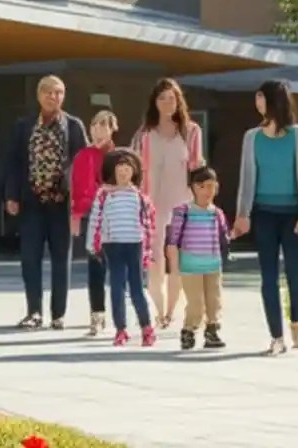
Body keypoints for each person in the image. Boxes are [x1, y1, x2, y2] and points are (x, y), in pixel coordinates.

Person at [231, 79, 298, 355]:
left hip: (294, 215)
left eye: (261, 97)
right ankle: (276, 336)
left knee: (296, 273)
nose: (257, 102)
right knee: (268, 276)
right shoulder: (251, 138)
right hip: (265, 214)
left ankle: (296, 325)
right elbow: (247, 181)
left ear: (273, 100)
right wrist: (242, 215)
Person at [4, 75, 88, 330]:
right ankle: (34, 312)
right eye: (49, 92)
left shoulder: (73, 126)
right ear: (39, 95)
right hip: (32, 203)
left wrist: (79, 202)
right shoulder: (24, 125)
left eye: (59, 92)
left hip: (62, 205)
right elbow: (14, 163)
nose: (54, 97)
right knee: (30, 258)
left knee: (61, 260)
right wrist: (11, 195)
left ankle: (58, 314)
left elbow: (84, 165)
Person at [130, 77, 204, 329]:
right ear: (154, 102)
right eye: (162, 98)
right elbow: (132, 171)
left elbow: (197, 168)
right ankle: (159, 310)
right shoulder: (144, 135)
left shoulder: (191, 131)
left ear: (178, 100)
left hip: (182, 203)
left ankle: (171, 311)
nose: (167, 102)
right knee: (153, 258)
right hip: (151, 205)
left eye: (171, 98)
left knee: (177, 259)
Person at [87, 148, 156, 347]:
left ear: (134, 172)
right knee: (116, 286)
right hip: (112, 244)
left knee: (137, 288)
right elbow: (95, 220)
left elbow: (149, 223)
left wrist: (148, 250)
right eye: (120, 168)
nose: (124, 172)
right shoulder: (104, 195)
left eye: (128, 168)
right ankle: (121, 329)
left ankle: (146, 328)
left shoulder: (140, 197)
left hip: (135, 244)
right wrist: (93, 245)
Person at [166, 165, 231, 350]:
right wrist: (174, 266)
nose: (208, 191)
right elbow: (173, 240)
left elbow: (223, 237)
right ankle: (189, 330)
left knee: (214, 301)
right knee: (196, 302)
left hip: (213, 264)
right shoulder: (183, 211)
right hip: (191, 265)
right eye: (203, 186)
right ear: (194, 188)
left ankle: (212, 330)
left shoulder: (216, 213)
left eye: (212, 186)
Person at [70, 110, 119, 336]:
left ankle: (121, 315)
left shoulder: (119, 156)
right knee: (96, 267)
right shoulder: (83, 156)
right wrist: (76, 215)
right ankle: (97, 314)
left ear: (112, 129)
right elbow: (78, 189)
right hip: (93, 215)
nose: (99, 129)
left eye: (104, 124)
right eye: (95, 124)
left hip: (117, 216)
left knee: (120, 268)